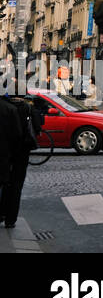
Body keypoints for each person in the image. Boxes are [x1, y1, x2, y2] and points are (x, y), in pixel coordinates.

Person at [0, 94, 41, 229]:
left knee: (3, 182)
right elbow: (38, 126)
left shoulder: (4, 106)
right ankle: (10, 219)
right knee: (16, 185)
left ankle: (1, 213)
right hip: (21, 151)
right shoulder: (27, 107)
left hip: (4, 151)